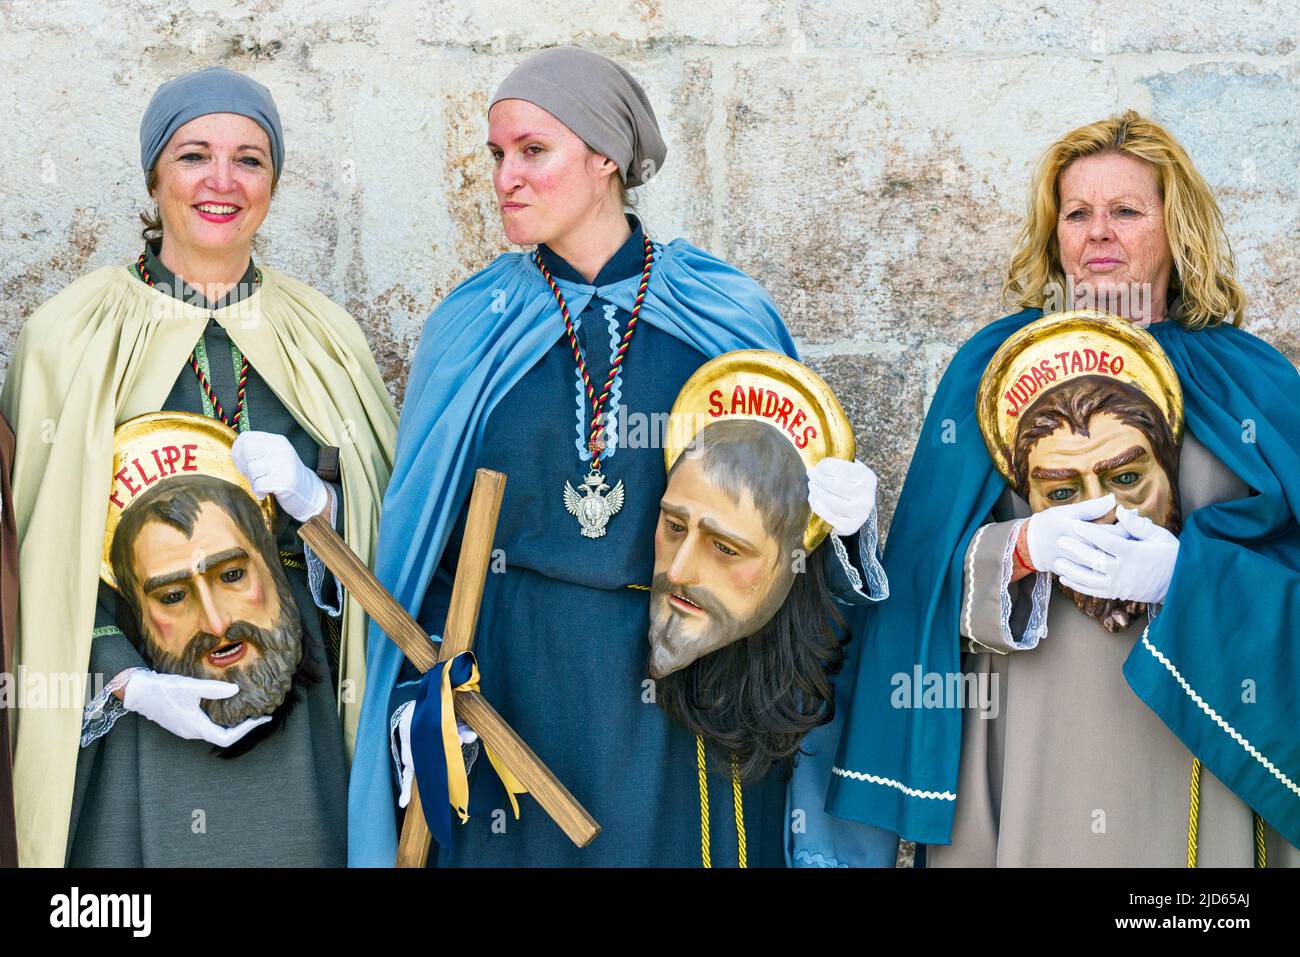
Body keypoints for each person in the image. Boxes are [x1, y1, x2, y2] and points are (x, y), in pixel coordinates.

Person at [350, 46, 892, 868]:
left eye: (534, 151)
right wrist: (419, 696)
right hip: (514, 686)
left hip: (685, 687)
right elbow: (425, 538)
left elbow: (789, 532)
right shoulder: (473, 326)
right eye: (497, 155)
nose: (505, 178)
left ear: (605, 157)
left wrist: (841, 527)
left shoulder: (722, 312)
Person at [828, 110, 1300, 866]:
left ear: (1176, 228)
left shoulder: (1251, 381)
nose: (1098, 233)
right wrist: (1018, 547)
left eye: (1125, 211)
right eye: (1077, 213)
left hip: (1201, 746)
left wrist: (1192, 575)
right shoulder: (992, 369)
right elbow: (921, 577)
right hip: (1033, 740)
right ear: (1055, 235)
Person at [0, 66, 396, 867]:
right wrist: (125, 682)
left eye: (249, 159)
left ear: (273, 181)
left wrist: (321, 499)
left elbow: (395, 537)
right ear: (154, 176)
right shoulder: (67, 338)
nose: (222, 182)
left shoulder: (326, 340)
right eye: (193, 156)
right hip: (140, 721)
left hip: (295, 700)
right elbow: (38, 561)